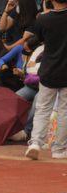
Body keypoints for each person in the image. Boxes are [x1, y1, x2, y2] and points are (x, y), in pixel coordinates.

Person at [25, 0, 67, 160]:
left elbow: (40, 39)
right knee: (64, 111)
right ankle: (59, 149)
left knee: (43, 109)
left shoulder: (43, 19)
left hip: (49, 69)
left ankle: (35, 142)